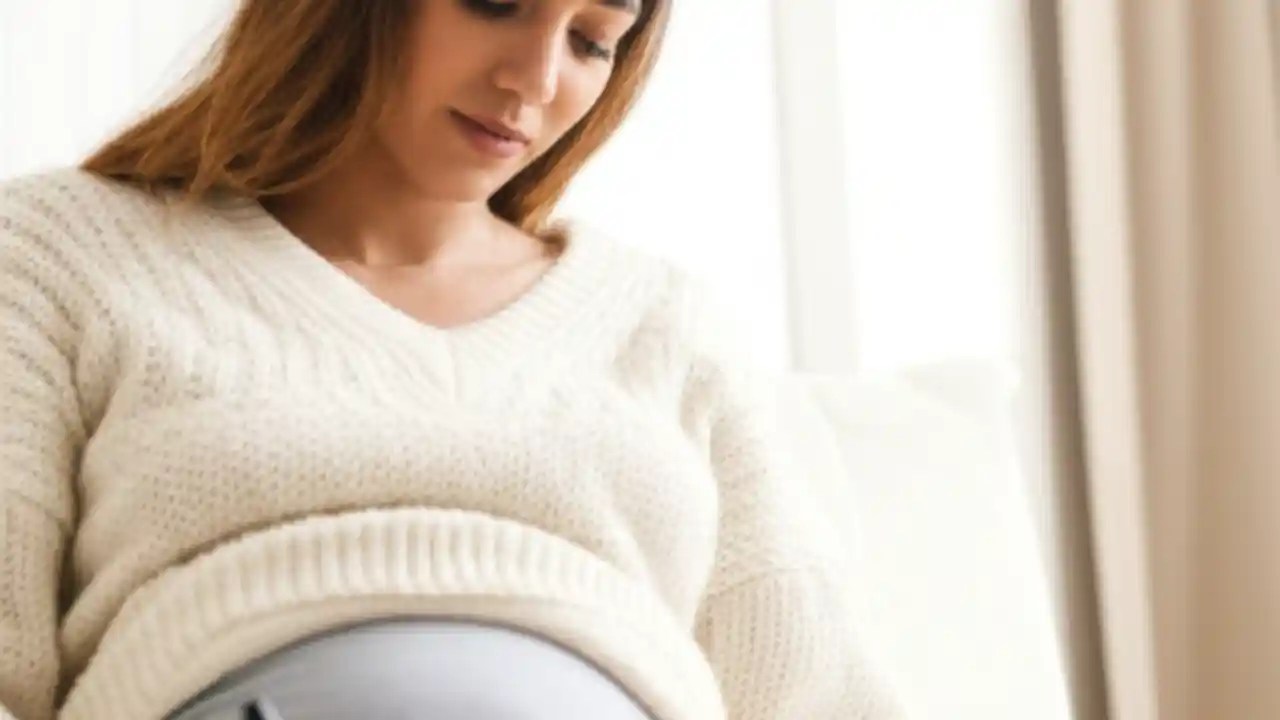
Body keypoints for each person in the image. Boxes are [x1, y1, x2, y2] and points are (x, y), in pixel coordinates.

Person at [0, 0, 904, 718]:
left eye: (593, 40)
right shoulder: (67, 248)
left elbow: (811, 684)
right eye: (494, 3)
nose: (535, 79)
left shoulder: (662, 322)